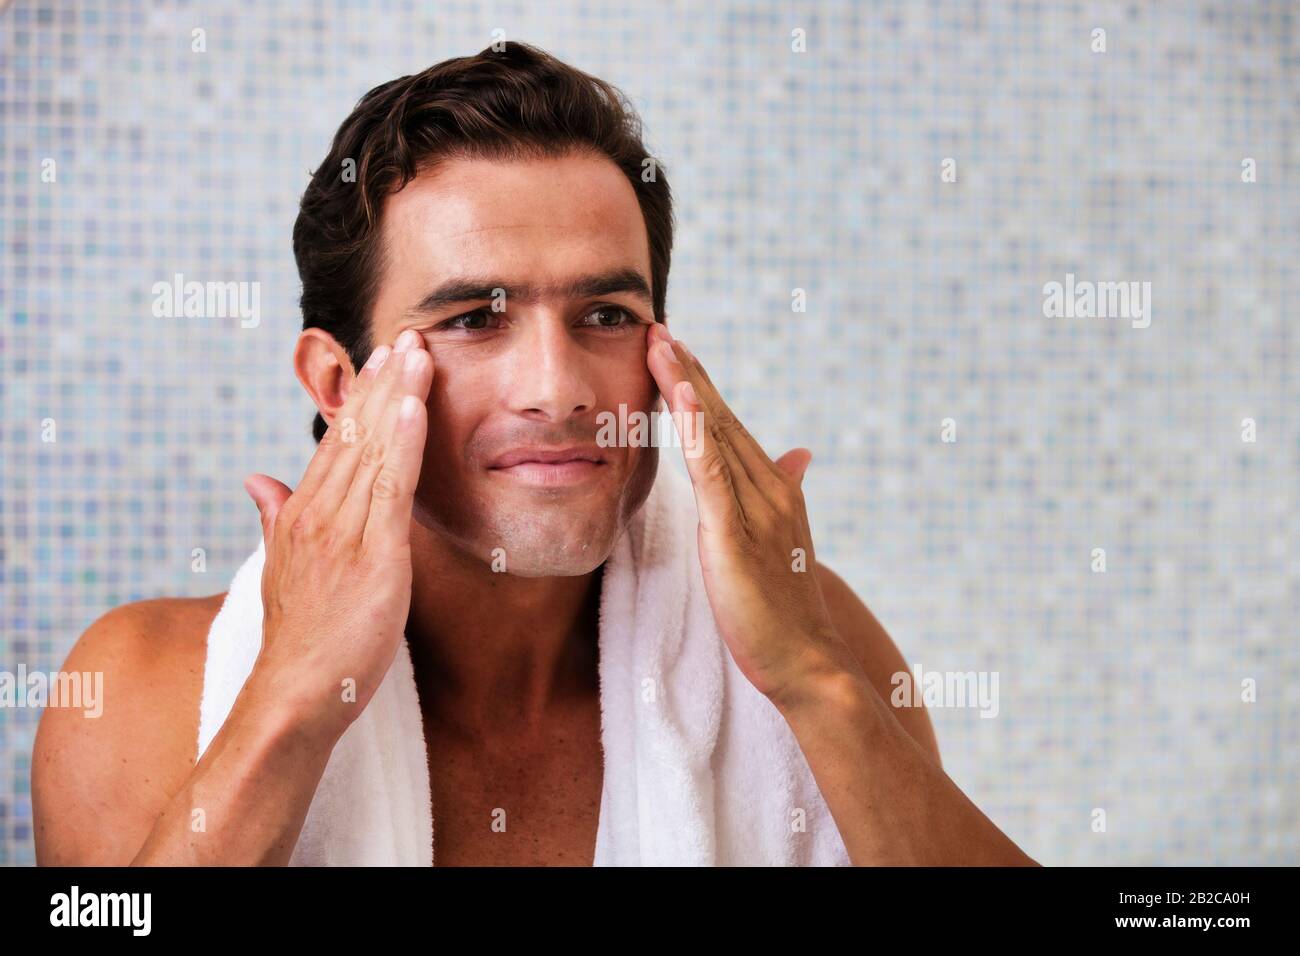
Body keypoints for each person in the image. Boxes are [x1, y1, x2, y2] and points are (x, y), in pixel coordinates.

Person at [32, 42, 1037, 866]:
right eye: (473, 319)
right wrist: (292, 698)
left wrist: (814, 680)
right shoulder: (144, 687)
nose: (559, 388)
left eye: (606, 312)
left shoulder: (811, 647)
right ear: (341, 388)